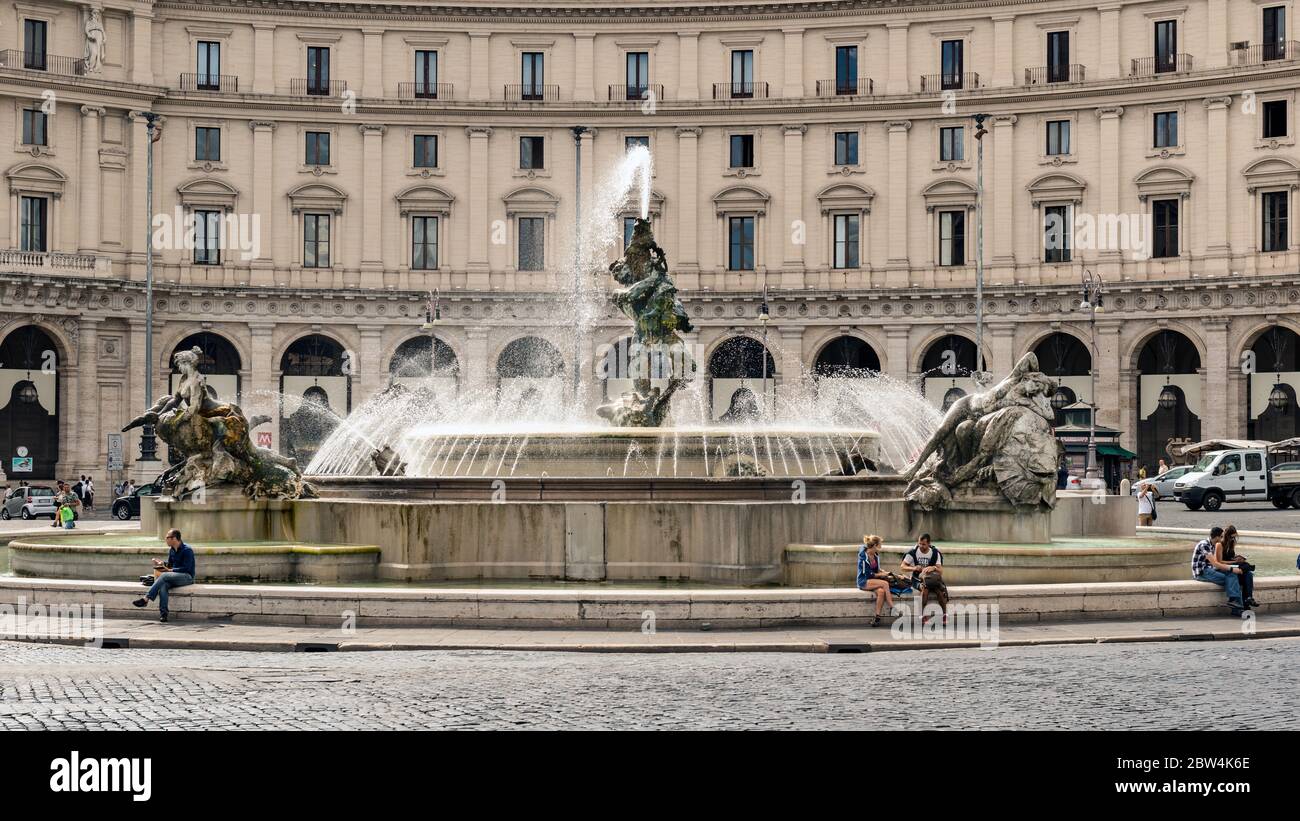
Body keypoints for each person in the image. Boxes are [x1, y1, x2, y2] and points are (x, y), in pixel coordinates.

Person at [132, 529, 195, 623]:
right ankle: (163, 614)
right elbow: (170, 565)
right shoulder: (172, 550)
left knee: (164, 576)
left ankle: (146, 598)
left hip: (187, 577)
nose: (165, 540)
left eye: (167, 538)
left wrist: (170, 570)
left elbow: (187, 568)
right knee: (163, 586)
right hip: (175, 576)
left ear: (174, 538)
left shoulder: (187, 550)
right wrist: (162, 563)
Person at [1191, 526, 1248, 617]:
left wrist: (1232, 567)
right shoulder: (1204, 544)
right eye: (1221, 536)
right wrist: (1232, 568)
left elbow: (1216, 564)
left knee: (1232, 576)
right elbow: (1215, 563)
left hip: (1209, 570)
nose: (1222, 538)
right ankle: (1237, 607)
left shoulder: (1212, 545)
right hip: (1201, 572)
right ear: (1217, 537)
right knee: (1231, 579)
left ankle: (1234, 604)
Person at [902, 533, 948, 625]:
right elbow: (902, 567)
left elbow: (940, 571)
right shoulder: (913, 552)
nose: (921, 546)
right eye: (919, 543)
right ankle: (922, 615)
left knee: (939, 590)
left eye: (923, 544)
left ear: (929, 543)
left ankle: (944, 615)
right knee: (925, 588)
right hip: (917, 578)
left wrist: (933, 568)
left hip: (932, 578)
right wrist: (914, 568)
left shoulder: (935, 553)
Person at [856, 535, 896, 627]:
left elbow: (877, 570)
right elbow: (868, 574)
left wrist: (888, 573)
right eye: (879, 544)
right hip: (864, 581)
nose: (880, 547)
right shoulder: (863, 557)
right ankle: (892, 607)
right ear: (874, 545)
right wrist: (881, 575)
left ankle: (877, 617)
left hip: (873, 581)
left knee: (881, 592)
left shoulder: (876, 555)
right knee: (885, 583)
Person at [1217, 525, 1258, 609]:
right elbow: (1219, 561)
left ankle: (1249, 598)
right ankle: (1246, 602)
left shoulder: (1232, 543)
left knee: (1248, 574)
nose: (1233, 539)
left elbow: (1231, 556)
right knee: (1246, 567)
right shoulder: (1219, 545)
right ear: (1227, 536)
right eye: (1231, 537)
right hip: (1225, 567)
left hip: (1234, 566)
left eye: (1234, 538)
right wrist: (1235, 561)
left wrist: (1237, 557)